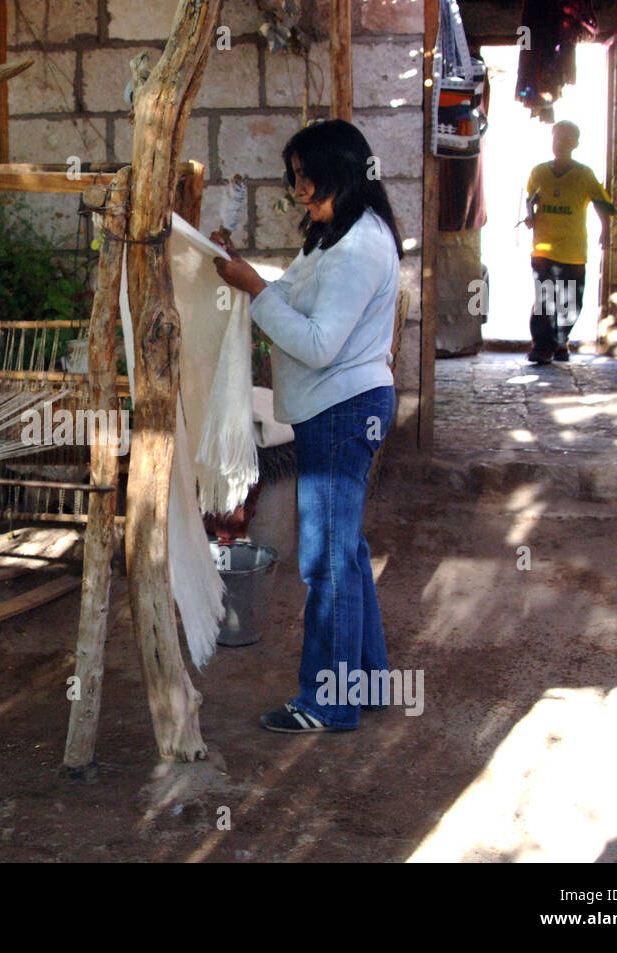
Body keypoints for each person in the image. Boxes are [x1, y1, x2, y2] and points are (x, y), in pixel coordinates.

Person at [210, 119, 402, 732]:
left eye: (305, 177)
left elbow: (318, 344)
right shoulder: (329, 237)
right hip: (334, 408)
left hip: (344, 411)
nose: (297, 189)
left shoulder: (361, 246)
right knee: (345, 552)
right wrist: (244, 274)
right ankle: (366, 680)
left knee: (325, 560)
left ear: (341, 173)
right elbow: (287, 292)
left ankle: (328, 701)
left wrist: (252, 290)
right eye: (293, 177)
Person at [523, 120, 614, 364]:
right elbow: (530, 200)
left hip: (573, 250)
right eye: (556, 138)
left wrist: (605, 231)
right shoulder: (539, 172)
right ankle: (542, 347)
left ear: (575, 144)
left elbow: (601, 202)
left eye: (565, 139)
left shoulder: (584, 174)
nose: (559, 144)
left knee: (571, 301)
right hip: (543, 248)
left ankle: (561, 340)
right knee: (545, 299)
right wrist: (529, 216)